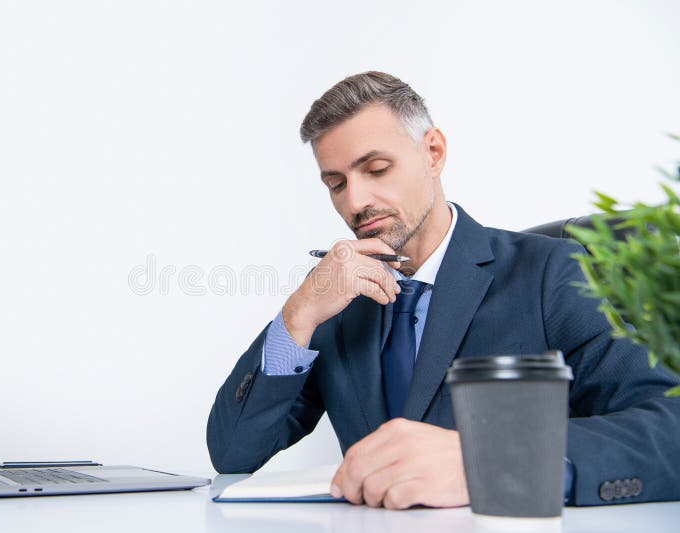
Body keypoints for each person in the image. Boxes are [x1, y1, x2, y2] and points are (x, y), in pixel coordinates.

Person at [206, 71, 680, 509]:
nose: (355, 201)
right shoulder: (337, 304)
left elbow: (669, 428)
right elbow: (233, 453)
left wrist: (497, 462)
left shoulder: (550, 273)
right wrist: (298, 315)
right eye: (336, 183)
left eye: (376, 168)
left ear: (432, 153)